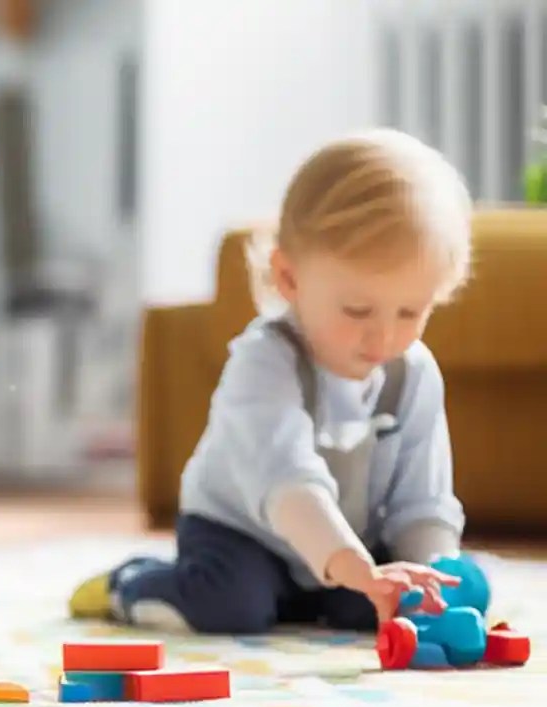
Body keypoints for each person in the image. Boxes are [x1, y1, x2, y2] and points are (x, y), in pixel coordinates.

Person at [71, 128, 476, 634]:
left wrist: (432, 577)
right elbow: (287, 482)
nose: (384, 335)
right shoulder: (265, 362)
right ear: (289, 279)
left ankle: (312, 596)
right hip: (244, 531)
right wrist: (354, 566)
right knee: (231, 606)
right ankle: (129, 583)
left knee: (392, 602)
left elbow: (424, 500)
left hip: (347, 537)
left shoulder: (413, 373)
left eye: (411, 311)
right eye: (357, 309)